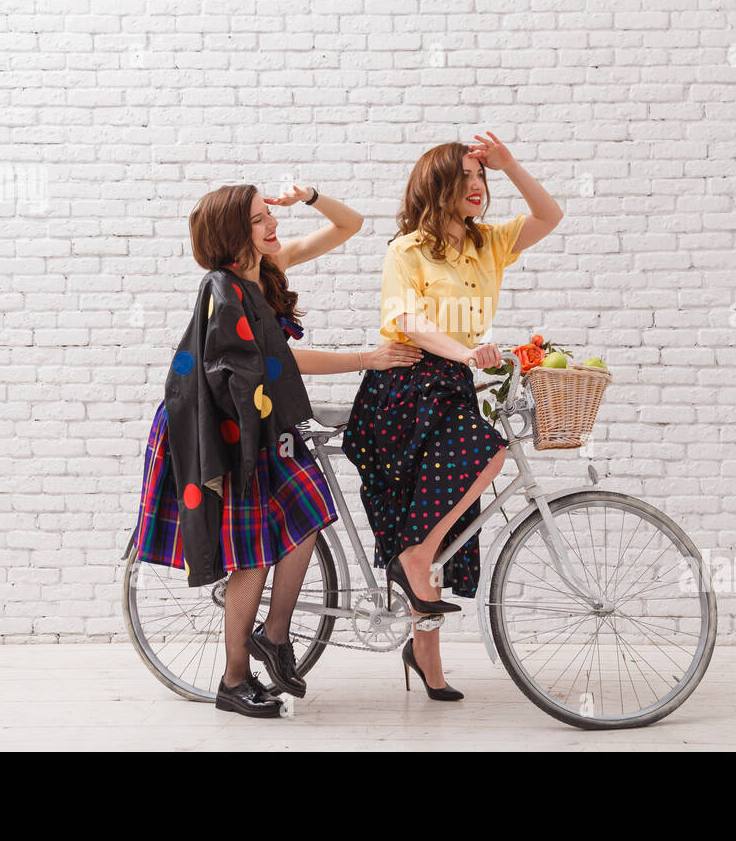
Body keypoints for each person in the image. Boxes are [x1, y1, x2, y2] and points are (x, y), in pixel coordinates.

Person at [166, 183, 420, 719]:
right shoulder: (223, 287)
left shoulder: (270, 265)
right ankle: (233, 681)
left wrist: (311, 197)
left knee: (307, 520)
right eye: (259, 220)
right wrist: (366, 360)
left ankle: (274, 636)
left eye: (268, 216)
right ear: (234, 233)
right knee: (255, 556)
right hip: (234, 434)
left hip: (268, 425)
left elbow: (349, 224)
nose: (270, 227)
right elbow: (278, 359)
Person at [342, 131, 563, 700]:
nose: (476, 187)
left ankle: (427, 659)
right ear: (435, 186)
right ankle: (411, 558)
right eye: (464, 177)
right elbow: (409, 319)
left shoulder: (489, 244)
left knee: (443, 526)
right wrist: (467, 352)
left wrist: (508, 162)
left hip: (454, 386)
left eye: (480, 177)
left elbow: (550, 214)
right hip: (405, 386)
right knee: (481, 462)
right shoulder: (407, 248)